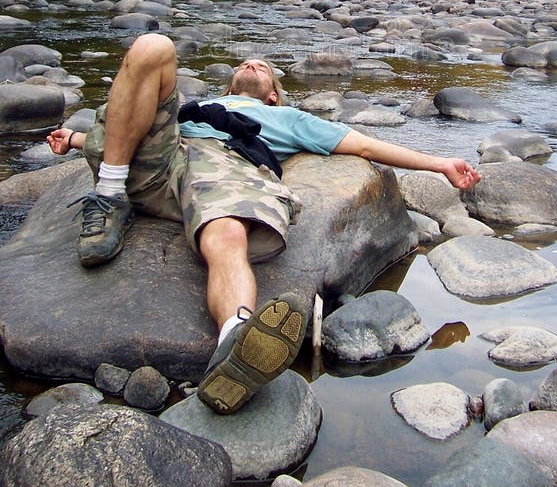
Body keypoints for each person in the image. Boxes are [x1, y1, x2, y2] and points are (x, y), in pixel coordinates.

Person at [48, 34, 480, 415]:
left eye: (262, 67)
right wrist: (75, 139)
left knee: (228, 233)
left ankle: (235, 348)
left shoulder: (289, 120)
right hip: (163, 158)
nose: (251, 64)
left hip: (225, 167)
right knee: (152, 47)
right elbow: (130, 128)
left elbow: (365, 145)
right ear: (230, 84)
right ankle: (109, 194)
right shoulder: (199, 107)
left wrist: (439, 163)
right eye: (244, 64)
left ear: (273, 95)